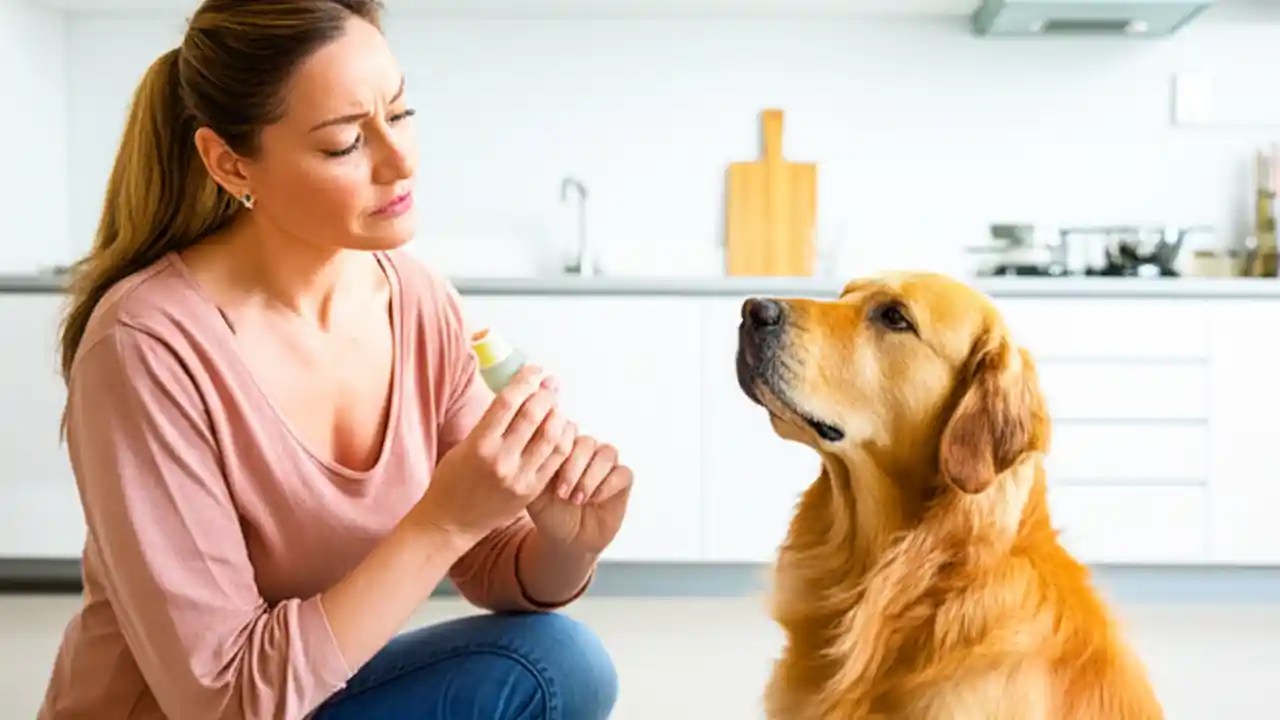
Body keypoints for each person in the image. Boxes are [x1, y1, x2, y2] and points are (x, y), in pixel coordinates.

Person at [37, 1, 629, 718]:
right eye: (347, 142)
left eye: (402, 113)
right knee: (552, 669)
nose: (402, 158)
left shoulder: (417, 301)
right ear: (229, 163)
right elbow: (220, 698)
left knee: (562, 660)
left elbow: (492, 559)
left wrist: (566, 543)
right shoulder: (147, 346)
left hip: (309, 697)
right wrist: (443, 519)